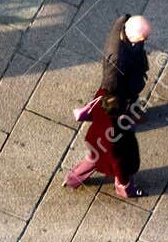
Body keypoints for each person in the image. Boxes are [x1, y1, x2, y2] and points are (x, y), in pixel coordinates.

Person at [64, 14, 151, 198]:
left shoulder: (104, 109)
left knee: (92, 160)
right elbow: (119, 160)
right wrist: (124, 178)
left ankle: (72, 179)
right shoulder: (116, 130)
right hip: (106, 147)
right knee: (99, 162)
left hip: (98, 141)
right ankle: (124, 188)